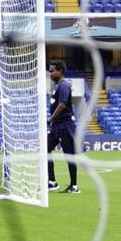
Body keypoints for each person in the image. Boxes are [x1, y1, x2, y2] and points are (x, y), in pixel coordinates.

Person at [46, 60, 79, 193]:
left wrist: (50, 119)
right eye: (49, 70)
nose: (50, 72)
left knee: (69, 155)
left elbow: (62, 105)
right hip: (56, 126)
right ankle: (52, 182)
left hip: (65, 125)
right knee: (45, 150)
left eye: (52, 70)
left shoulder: (64, 85)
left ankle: (74, 186)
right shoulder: (57, 86)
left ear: (60, 71)